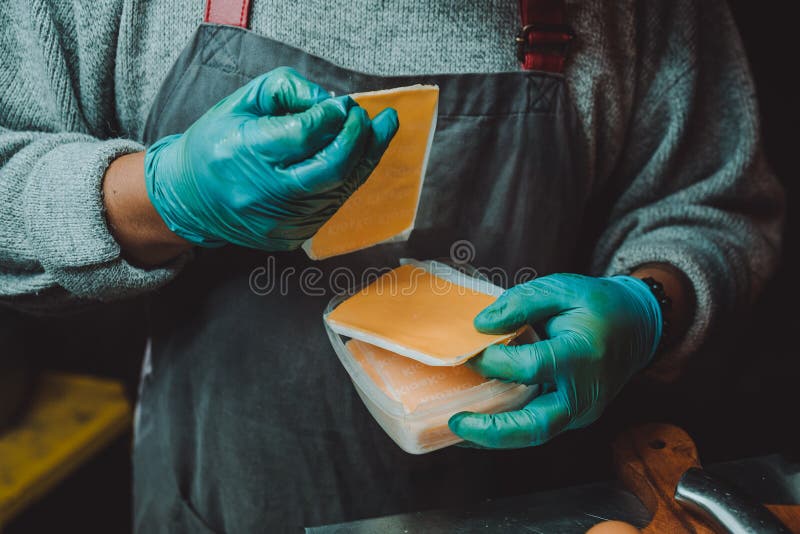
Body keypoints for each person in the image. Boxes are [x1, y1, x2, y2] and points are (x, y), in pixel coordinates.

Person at [0, 0, 784, 531]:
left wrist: (649, 308)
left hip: (533, 506)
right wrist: (161, 196)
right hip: (218, 506)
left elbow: (710, 207)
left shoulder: (642, 18)